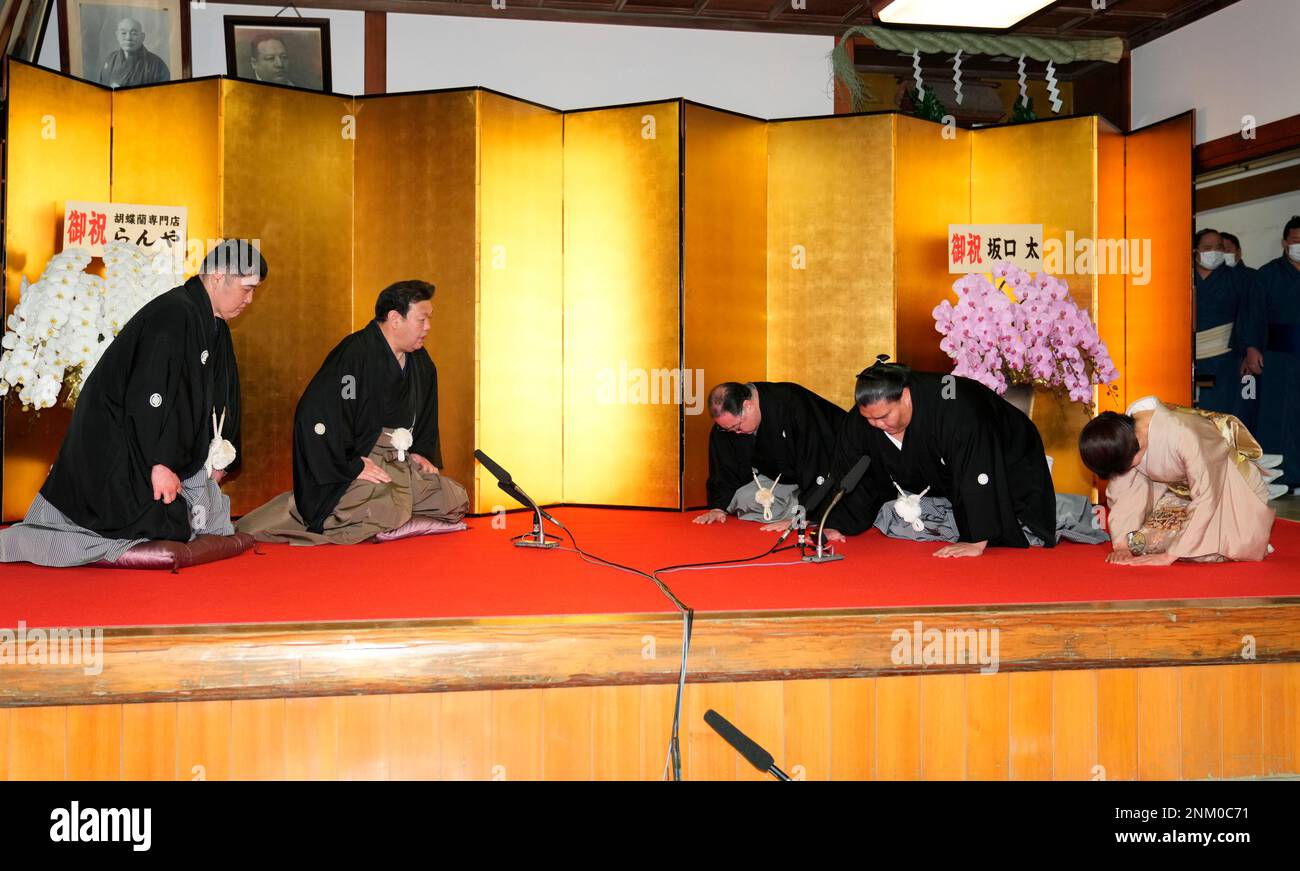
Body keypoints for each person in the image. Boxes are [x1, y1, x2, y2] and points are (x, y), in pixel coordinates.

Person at [0, 240, 267, 566]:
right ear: (217, 277)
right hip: (120, 448)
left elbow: (224, 398)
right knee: (146, 528)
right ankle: (24, 543)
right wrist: (158, 464)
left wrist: (220, 455)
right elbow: (150, 397)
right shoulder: (172, 315)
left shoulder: (211, 324)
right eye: (247, 288)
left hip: (158, 449)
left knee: (198, 522)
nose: (250, 299)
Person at [238, 280, 468, 544]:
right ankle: (301, 509)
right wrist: (351, 463)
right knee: (382, 507)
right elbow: (316, 416)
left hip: (401, 461)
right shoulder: (355, 354)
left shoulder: (421, 361)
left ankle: (396, 517)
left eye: (429, 319)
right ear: (395, 318)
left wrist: (422, 452)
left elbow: (426, 415)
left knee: (454, 499)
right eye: (422, 319)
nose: (428, 327)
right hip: (362, 459)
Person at [824, 357, 1058, 558]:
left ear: (905, 396)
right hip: (955, 467)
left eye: (884, 416)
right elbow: (850, 468)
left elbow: (976, 467)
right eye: (870, 418)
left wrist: (977, 539)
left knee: (1021, 509)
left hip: (1008, 448)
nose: (877, 424)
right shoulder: (864, 418)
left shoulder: (956, 408)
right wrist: (835, 522)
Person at [1079, 397, 1275, 565]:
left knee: (1207, 551)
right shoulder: (1126, 438)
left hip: (1229, 490)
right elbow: (1124, 491)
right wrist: (1121, 544)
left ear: (1137, 443)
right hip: (1188, 493)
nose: (1124, 471)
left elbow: (1207, 494)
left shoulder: (1183, 434)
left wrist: (1170, 556)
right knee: (1141, 542)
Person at [694, 381, 846, 531]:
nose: (736, 433)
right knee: (744, 499)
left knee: (827, 501)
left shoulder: (791, 403)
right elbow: (723, 467)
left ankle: (816, 512)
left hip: (830, 468)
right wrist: (718, 508)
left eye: (737, 427)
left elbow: (816, 458)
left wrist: (802, 515)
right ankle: (794, 505)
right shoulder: (729, 424)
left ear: (748, 406)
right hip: (783, 477)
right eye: (728, 429)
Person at [1192, 228, 1263, 418]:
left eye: (1219, 247)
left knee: (1220, 416)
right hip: (1186, 359)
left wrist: (1250, 349)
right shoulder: (1180, 278)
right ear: (1195, 251)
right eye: (1207, 247)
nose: (1214, 252)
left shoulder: (1239, 279)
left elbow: (1251, 315)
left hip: (1225, 359)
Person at [1253, 215, 1300, 491]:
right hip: (1279, 357)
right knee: (1278, 417)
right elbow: (1255, 315)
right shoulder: (1266, 274)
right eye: (1295, 241)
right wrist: (1251, 348)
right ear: (1285, 243)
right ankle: (1280, 478)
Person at [98, 18, 170, 88]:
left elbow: (163, 96)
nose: (128, 38)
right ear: (117, 35)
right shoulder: (110, 60)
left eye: (134, 33)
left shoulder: (157, 64)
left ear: (142, 37)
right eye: (123, 33)